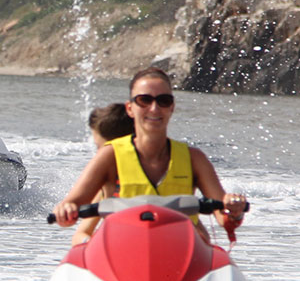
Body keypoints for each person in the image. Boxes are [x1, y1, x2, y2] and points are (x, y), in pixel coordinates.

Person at [52, 67, 247, 244]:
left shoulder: (194, 159)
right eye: (144, 100)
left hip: (181, 258)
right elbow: (71, 207)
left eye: (163, 101)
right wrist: (65, 210)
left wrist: (234, 212)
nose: (154, 108)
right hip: (122, 256)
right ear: (130, 108)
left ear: (172, 107)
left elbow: (224, 218)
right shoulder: (110, 156)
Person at [70, 102, 135, 246]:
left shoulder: (158, 175)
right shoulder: (106, 186)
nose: (99, 155)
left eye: (100, 148)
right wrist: (91, 242)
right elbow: (81, 234)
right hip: (114, 250)